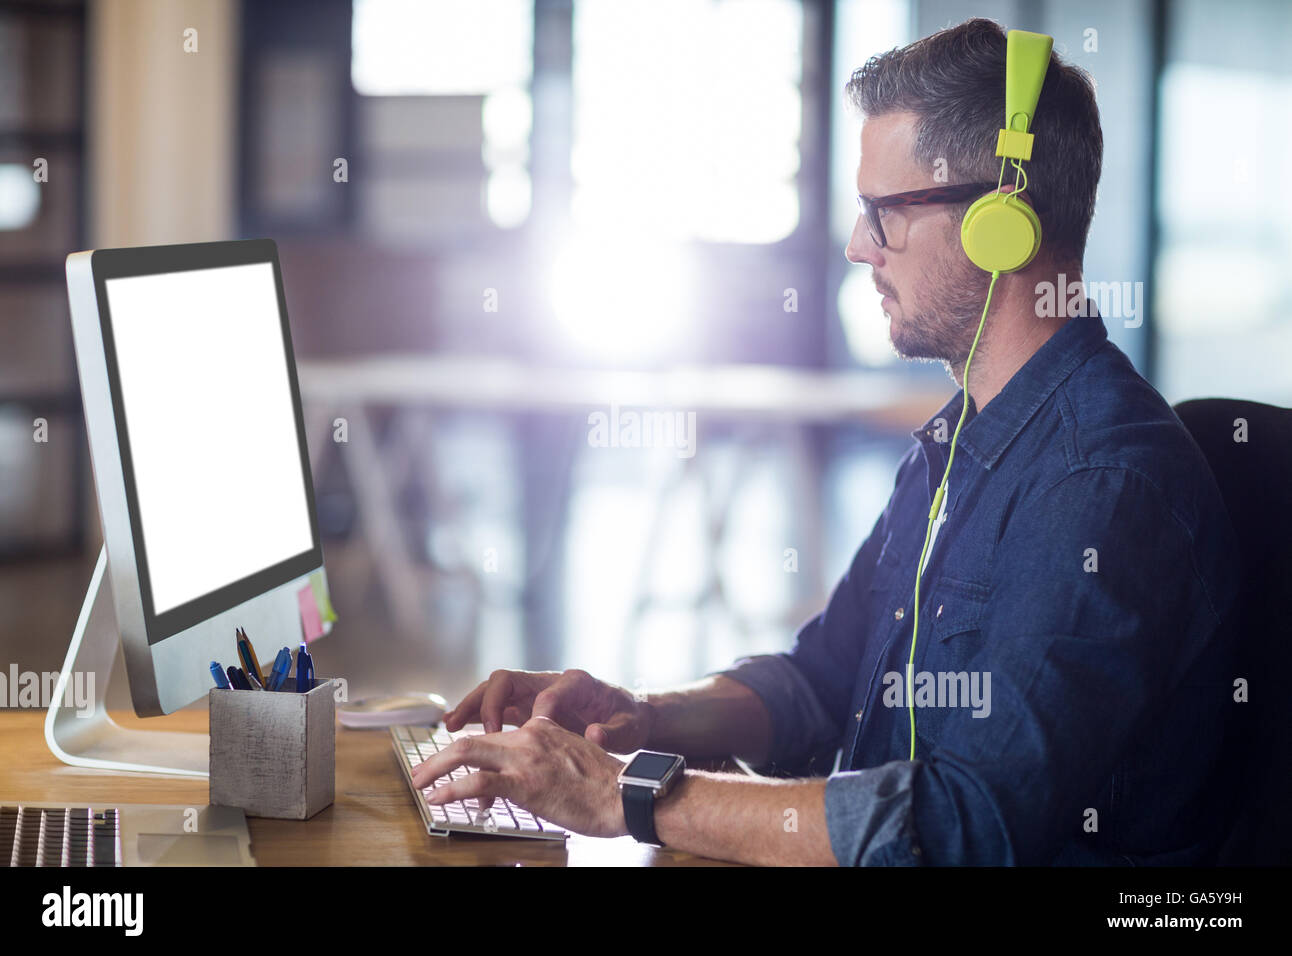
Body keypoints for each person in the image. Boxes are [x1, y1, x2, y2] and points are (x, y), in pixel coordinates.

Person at [412, 18, 1240, 865]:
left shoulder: (1099, 485)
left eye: (885, 213)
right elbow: (819, 682)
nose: (856, 246)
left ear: (1003, 224)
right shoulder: (960, 442)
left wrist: (621, 794)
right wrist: (642, 717)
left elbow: (965, 823)